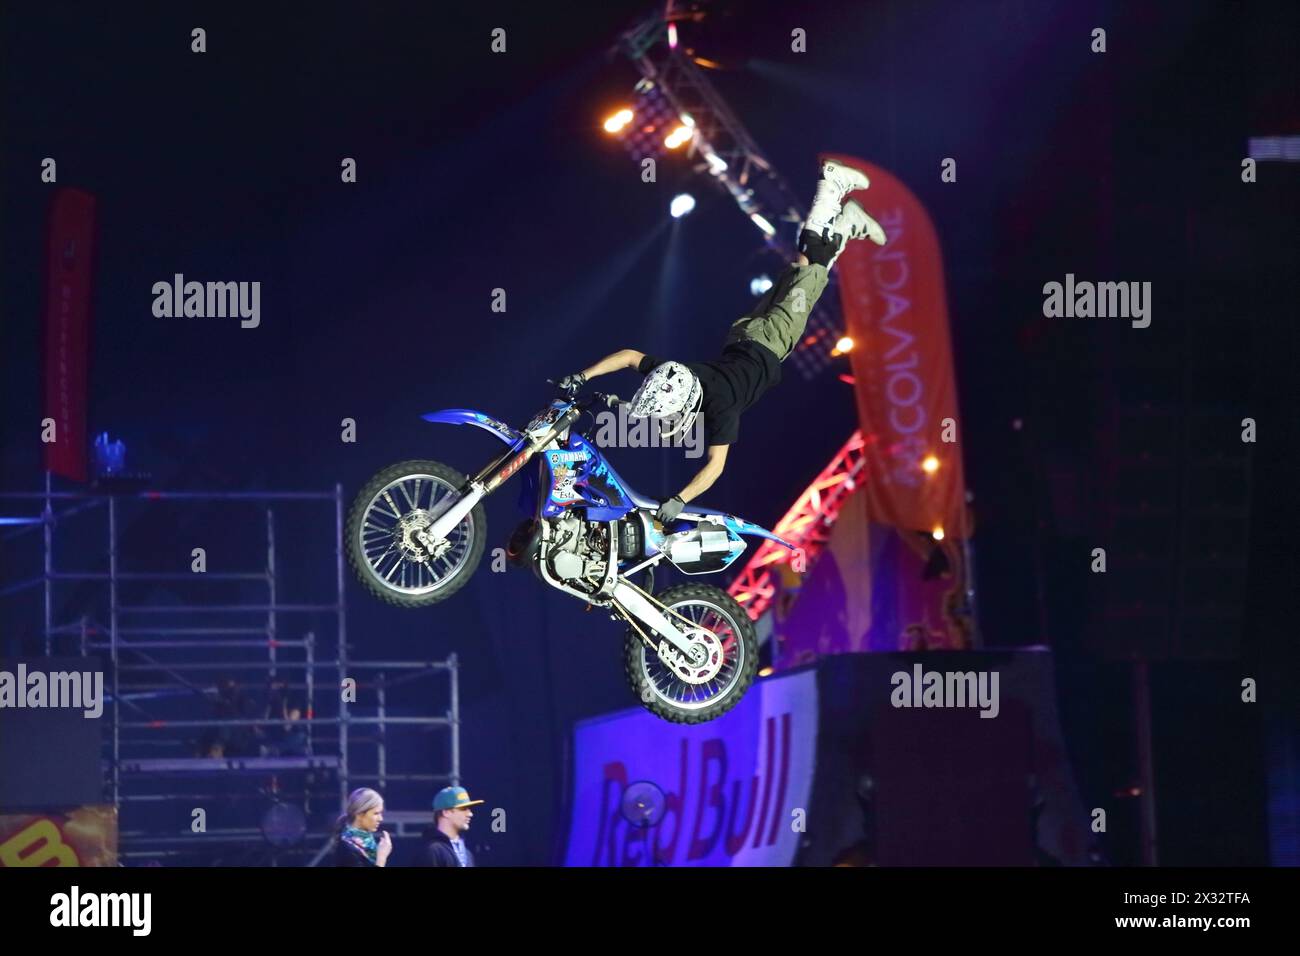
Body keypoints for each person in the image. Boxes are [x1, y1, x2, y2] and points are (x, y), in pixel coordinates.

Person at [556, 160, 886, 524]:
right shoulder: (683, 375)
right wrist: (585, 379)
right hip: (746, 333)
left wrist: (680, 499)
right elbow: (630, 357)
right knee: (804, 270)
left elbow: (715, 467)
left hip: (772, 338)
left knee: (812, 269)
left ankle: (831, 188)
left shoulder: (721, 407)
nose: (671, 420)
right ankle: (847, 222)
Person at [422, 786, 485, 867]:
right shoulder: (431, 851)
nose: (470, 814)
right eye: (464, 809)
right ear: (446, 812)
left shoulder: (467, 854)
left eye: (469, 809)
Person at [335, 787, 393, 867]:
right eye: (376, 813)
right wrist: (381, 858)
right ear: (360, 814)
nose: (381, 819)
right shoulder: (348, 848)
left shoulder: (368, 843)